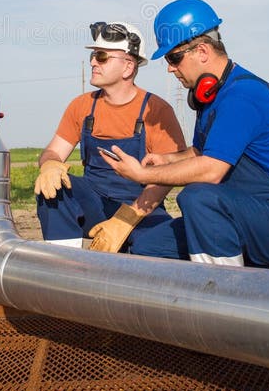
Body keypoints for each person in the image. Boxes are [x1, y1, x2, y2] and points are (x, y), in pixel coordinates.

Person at [99, 0, 269, 268]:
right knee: (149, 247)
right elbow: (203, 151)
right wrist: (170, 159)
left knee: (198, 197)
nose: (170, 68)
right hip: (240, 208)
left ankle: (223, 295)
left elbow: (211, 169)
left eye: (174, 57)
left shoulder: (242, 96)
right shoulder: (211, 94)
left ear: (203, 51)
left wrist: (142, 174)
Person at [34, 21, 189, 258]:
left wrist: (125, 221)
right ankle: (65, 271)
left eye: (102, 56)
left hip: (141, 204)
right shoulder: (82, 106)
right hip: (93, 200)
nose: (94, 62)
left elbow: (166, 177)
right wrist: (49, 165)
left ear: (128, 67)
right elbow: (54, 151)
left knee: (154, 248)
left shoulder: (156, 110)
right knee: (54, 190)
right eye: (94, 56)